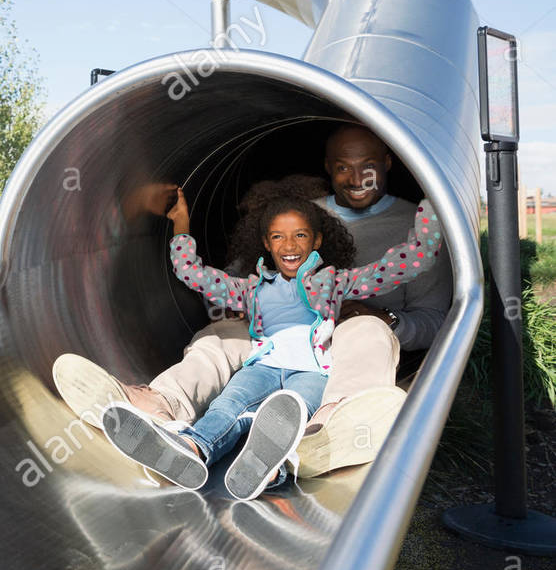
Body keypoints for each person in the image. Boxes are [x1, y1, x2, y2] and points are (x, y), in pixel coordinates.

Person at [57, 124, 450, 478]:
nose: (357, 175)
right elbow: (221, 274)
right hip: (270, 344)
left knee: (367, 331)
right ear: (328, 168)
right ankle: (161, 404)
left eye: (368, 164)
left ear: (388, 162)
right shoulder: (301, 216)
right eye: (344, 166)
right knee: (220, 334)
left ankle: (332, 428)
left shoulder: (393, 236)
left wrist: (387, 315)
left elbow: (424, 305)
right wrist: (186, 233)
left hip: (332, 348)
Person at [100, 187, 442, 499]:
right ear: (266, 242)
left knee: (288, 415)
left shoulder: (334, 282)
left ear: (317, 240)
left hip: (312, 372)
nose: (289, 246)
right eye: (278, 237)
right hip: (263, 366)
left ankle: (271, 467)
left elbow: (399, 266)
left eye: (300, 235)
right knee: (228, 405)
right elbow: (192, 273)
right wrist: (181, 224)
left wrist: (433, 206)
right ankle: (190, 449)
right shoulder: (250, 289)